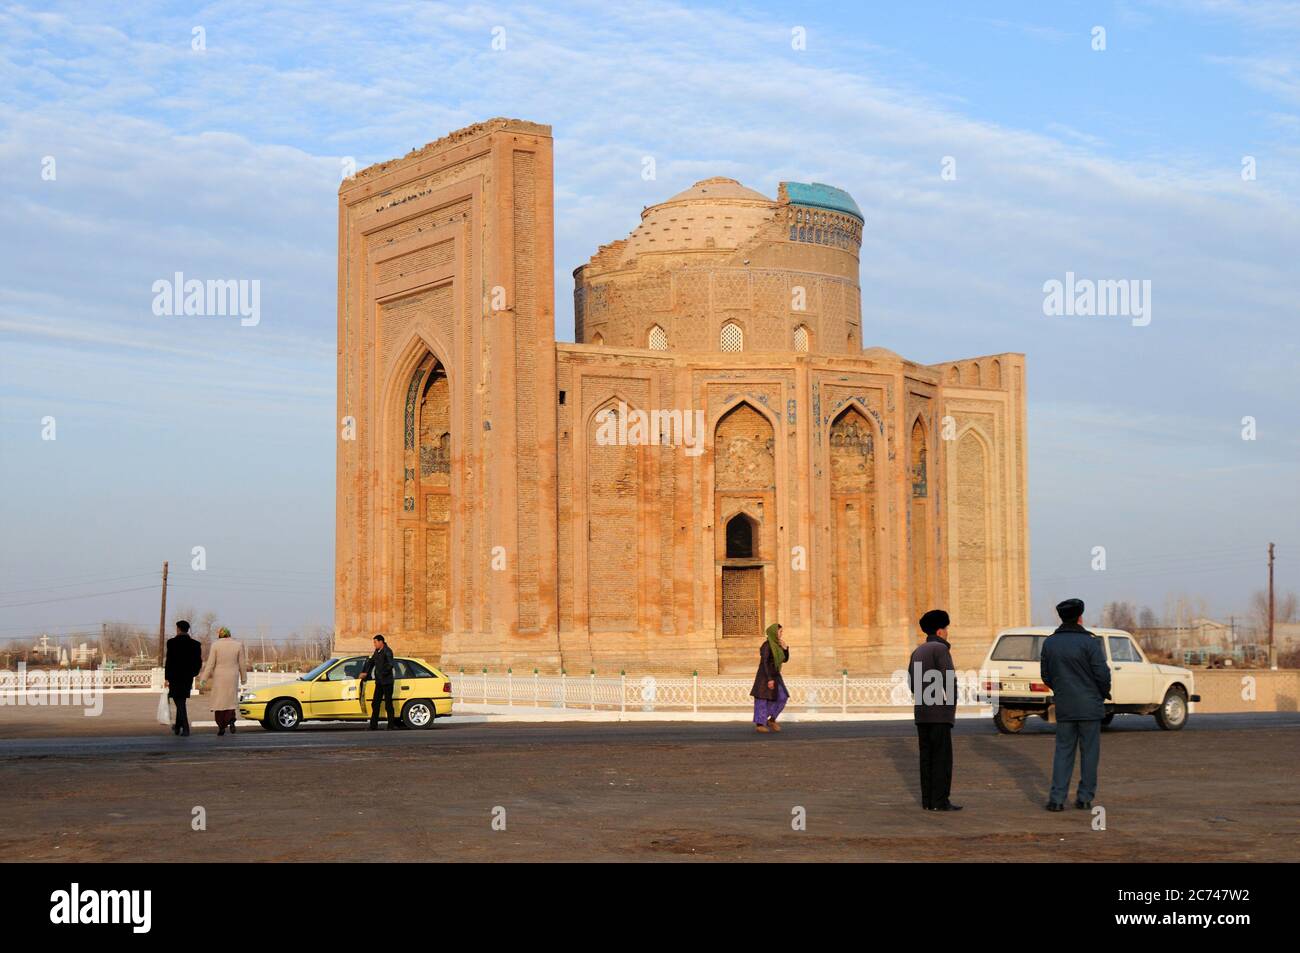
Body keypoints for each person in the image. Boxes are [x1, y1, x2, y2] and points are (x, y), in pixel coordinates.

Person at [1040, 598, 1112, 811]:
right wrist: (1102, 693)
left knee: (1063, 751)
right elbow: (1102, 674)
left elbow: (1046, 675)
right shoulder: (1090, 642)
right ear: (1080, 617)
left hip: (1065, 706)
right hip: (1090, 706)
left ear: (1061, 617)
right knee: (1089, 753)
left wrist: (1061, 690)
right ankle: (1085, 798)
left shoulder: (1050, 643)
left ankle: (1057, 800)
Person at [908, 609, 962, 811]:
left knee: (926, 758)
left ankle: (928, 801)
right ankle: (940, 801)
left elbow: (912, 683)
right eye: (946, 629)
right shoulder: (940, 650)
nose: (947, 632)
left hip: (922, 713)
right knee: (942, 759)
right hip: (939, 714)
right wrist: (950, 710)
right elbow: (949, 681)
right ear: (940, 631)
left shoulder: (917, 652)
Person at [198, 626, 247, 736]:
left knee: (219, 702)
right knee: (230, 700)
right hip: (232, 677)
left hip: (219, 677)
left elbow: (210, 664)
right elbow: (242, 664)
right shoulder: (238, 645)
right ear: (229, 634)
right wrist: (244, 678)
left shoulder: (216, 645)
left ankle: (221, 726)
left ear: (219, 635)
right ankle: (231, 720)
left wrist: (204, 679)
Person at [163, 620, 202, 736]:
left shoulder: (171, 643)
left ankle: (185, 728)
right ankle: (178, 726)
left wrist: (167, 678)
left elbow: (169, 661)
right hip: (187, 677)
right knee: (181, 700)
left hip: (175, 676)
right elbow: (198, 662)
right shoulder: (195, 644)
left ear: (178, 629)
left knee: (178, 701)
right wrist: (193, 673)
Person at [749, 623, 789, 734]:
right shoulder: (766, 646)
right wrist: (769, 679)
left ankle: (771, 720)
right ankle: (760, 724)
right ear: (773, 633)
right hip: (765, 676)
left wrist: (785, 649)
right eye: (780, 631)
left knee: (782, 697)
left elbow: (784, 660)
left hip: (775, 675)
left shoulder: (778, 645)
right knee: (762, 700)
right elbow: (765, 663)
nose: (781, 634)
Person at [359, 634, 399, 730]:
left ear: (381, 642)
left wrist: (382, 674)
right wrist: (365, 672)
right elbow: (372, 662)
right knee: (375, 703)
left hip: (387, 682)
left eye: (375, 642)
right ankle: (373, 726)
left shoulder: (387, 651)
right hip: (379, 682)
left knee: (388, 704)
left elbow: (390, 665)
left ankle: (391, 725)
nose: (374, 644)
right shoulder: (377, 651)